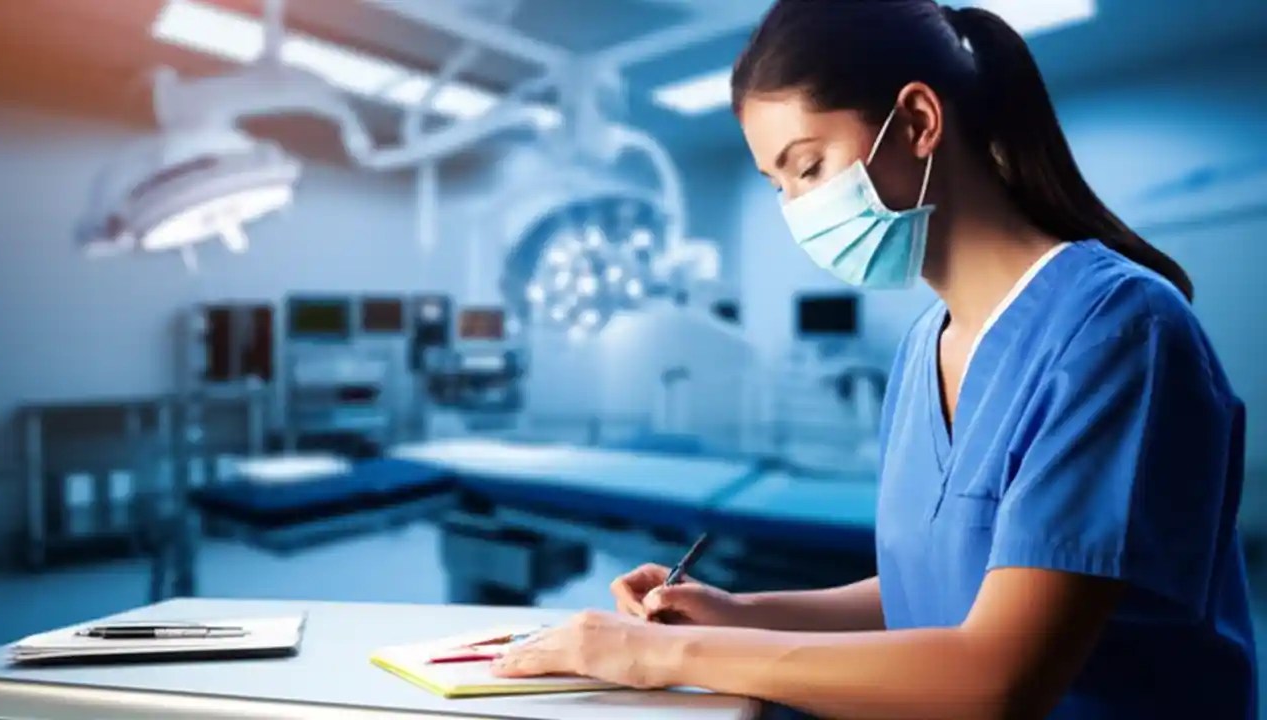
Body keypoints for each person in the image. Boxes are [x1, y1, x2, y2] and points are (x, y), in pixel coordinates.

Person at [492, 1, 1258, 717]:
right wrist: (736, 611)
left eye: (809, 166)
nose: (797, 209)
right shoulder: (926, 345)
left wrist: (657, 654)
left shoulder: (1118, 331)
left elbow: (997, 675)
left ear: (919, 121)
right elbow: (930, 594)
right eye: (778, 184)